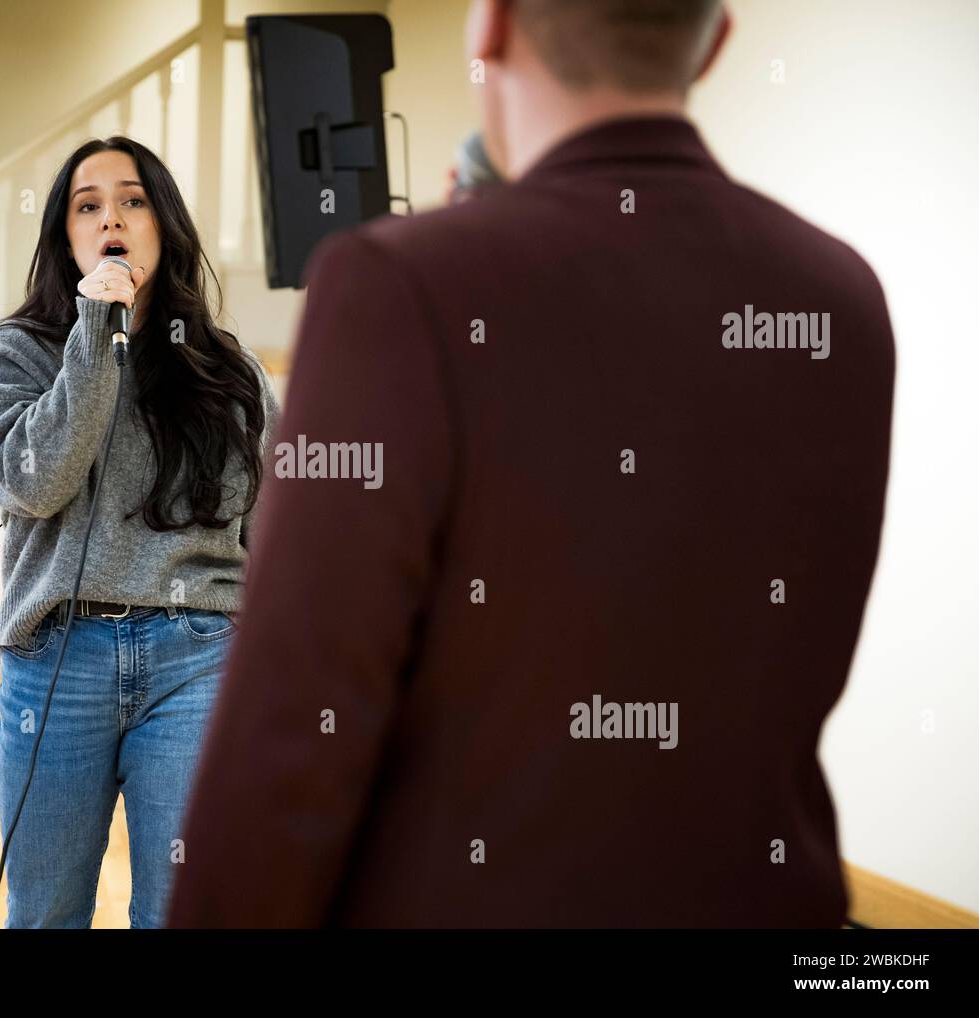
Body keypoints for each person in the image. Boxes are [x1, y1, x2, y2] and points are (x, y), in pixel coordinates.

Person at [166, 0, 896, 927]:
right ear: (714, 42)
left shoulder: (394, 286)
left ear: (491, 26)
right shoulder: (843, 296)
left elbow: (288, 738)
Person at [0, 135, 280, 928]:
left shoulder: (231, 374)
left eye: (133, 199)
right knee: (46, 914)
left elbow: (276, 537)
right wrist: (97, 325)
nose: (113, 216)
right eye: (88, 204)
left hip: (197, 662)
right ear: (66, 239)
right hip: (56, 666)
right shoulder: (17, 357)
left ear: (163, 226)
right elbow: (39, 482)